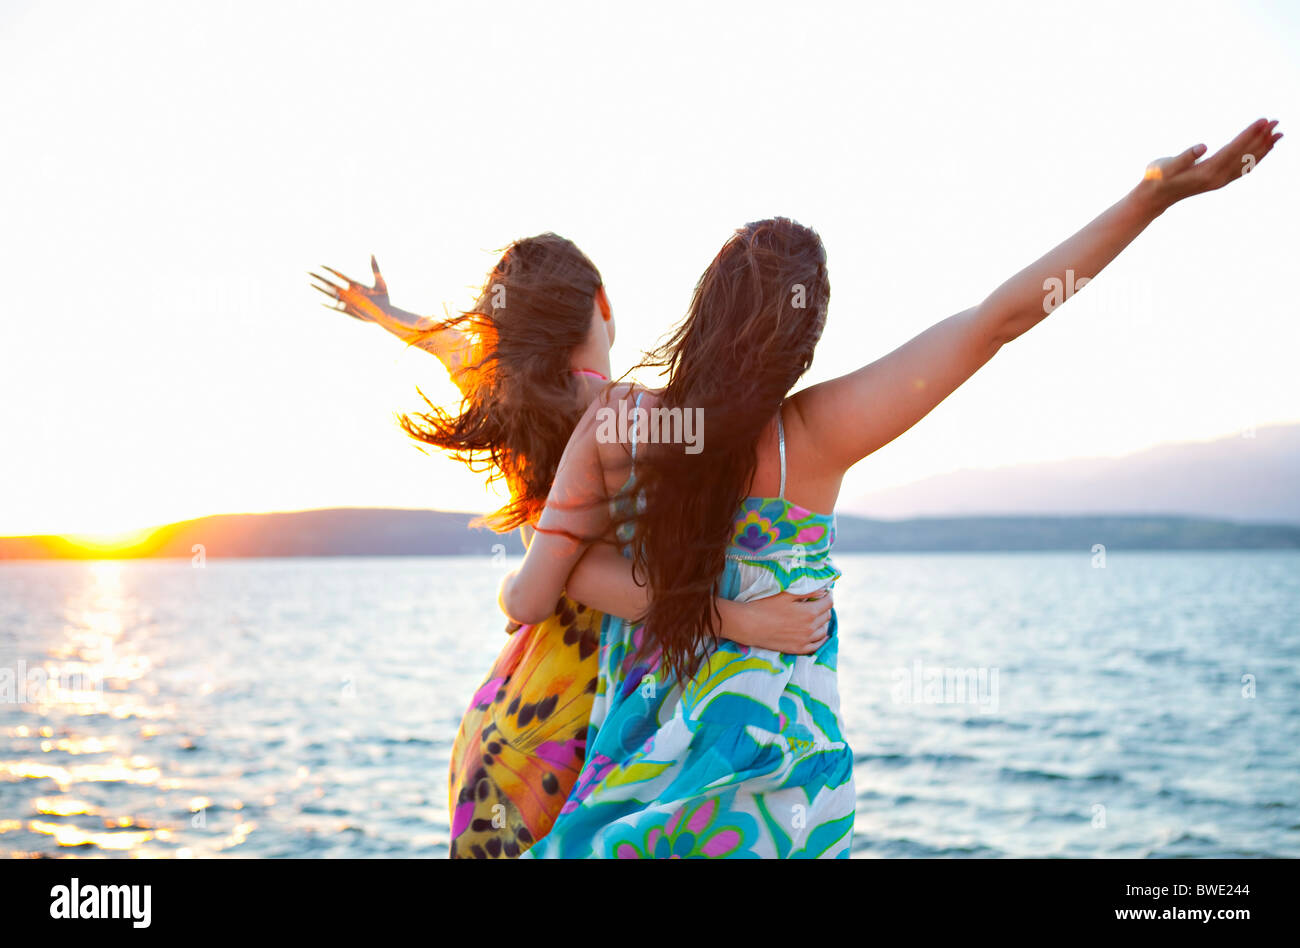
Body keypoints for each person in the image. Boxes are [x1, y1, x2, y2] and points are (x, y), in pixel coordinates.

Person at [499, 119, 1282, 858]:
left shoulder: (624, 425)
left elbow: (555, 575)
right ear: (801, 344)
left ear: (704, 311)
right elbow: (999, 320)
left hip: (645, 785)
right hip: (782, 794)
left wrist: (712, 614)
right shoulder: (812, 436)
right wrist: (1149, 199)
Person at [311, 234, 833, 858]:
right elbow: (586, 577)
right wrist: (739, 618)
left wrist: (383, 312)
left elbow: (444, 342)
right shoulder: (629, 417)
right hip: (589, 716)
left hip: (515, 708)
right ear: (603, 303)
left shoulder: (510, 402)